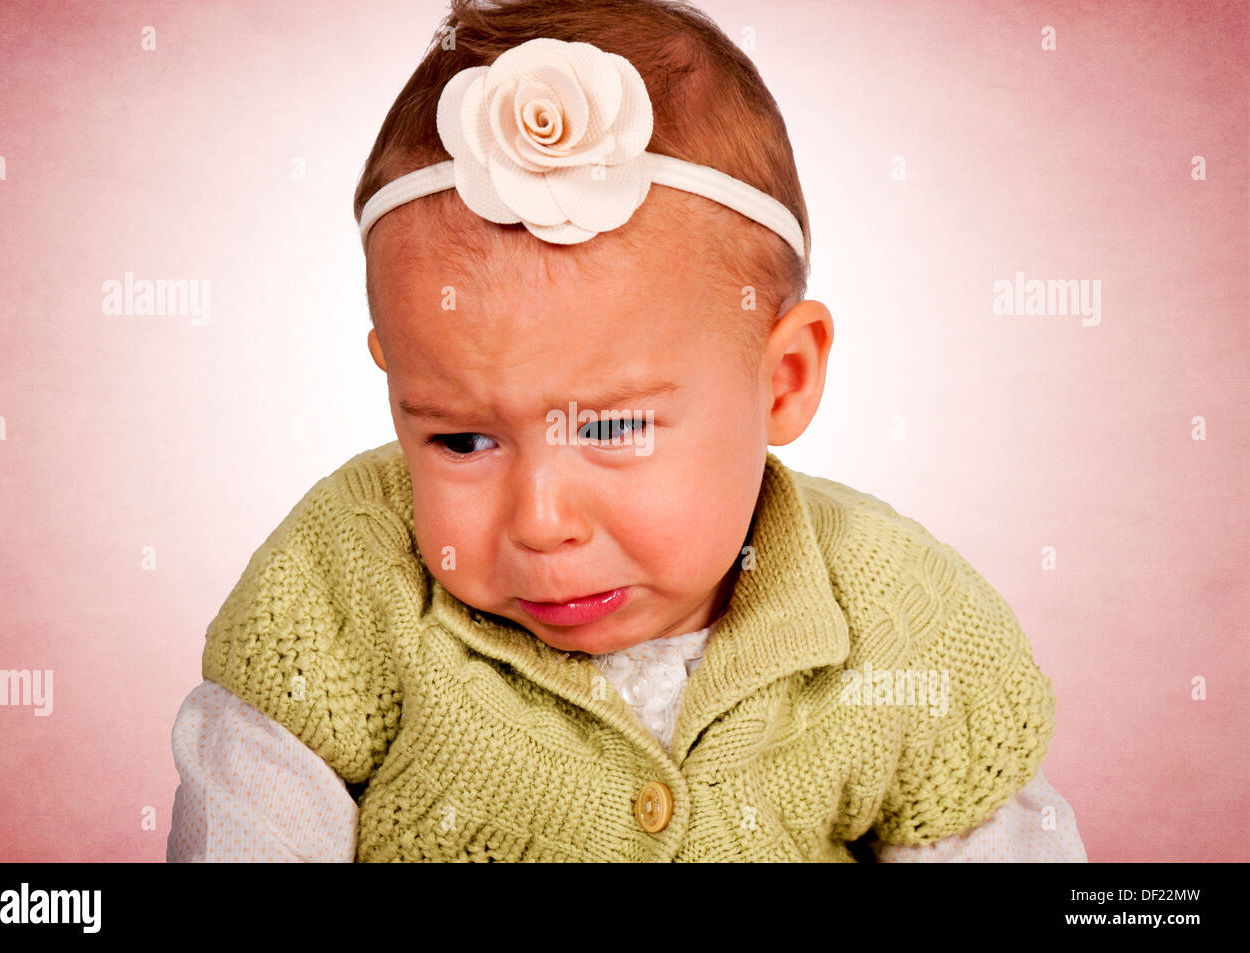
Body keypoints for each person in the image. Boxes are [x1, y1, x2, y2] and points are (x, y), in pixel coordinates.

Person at [168, 0, 1086, 862]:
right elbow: (249, 814)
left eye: (610, 426)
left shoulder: (901, 623)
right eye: (462, 441)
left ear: (783, 379)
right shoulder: (345, 582)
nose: (540, 520)